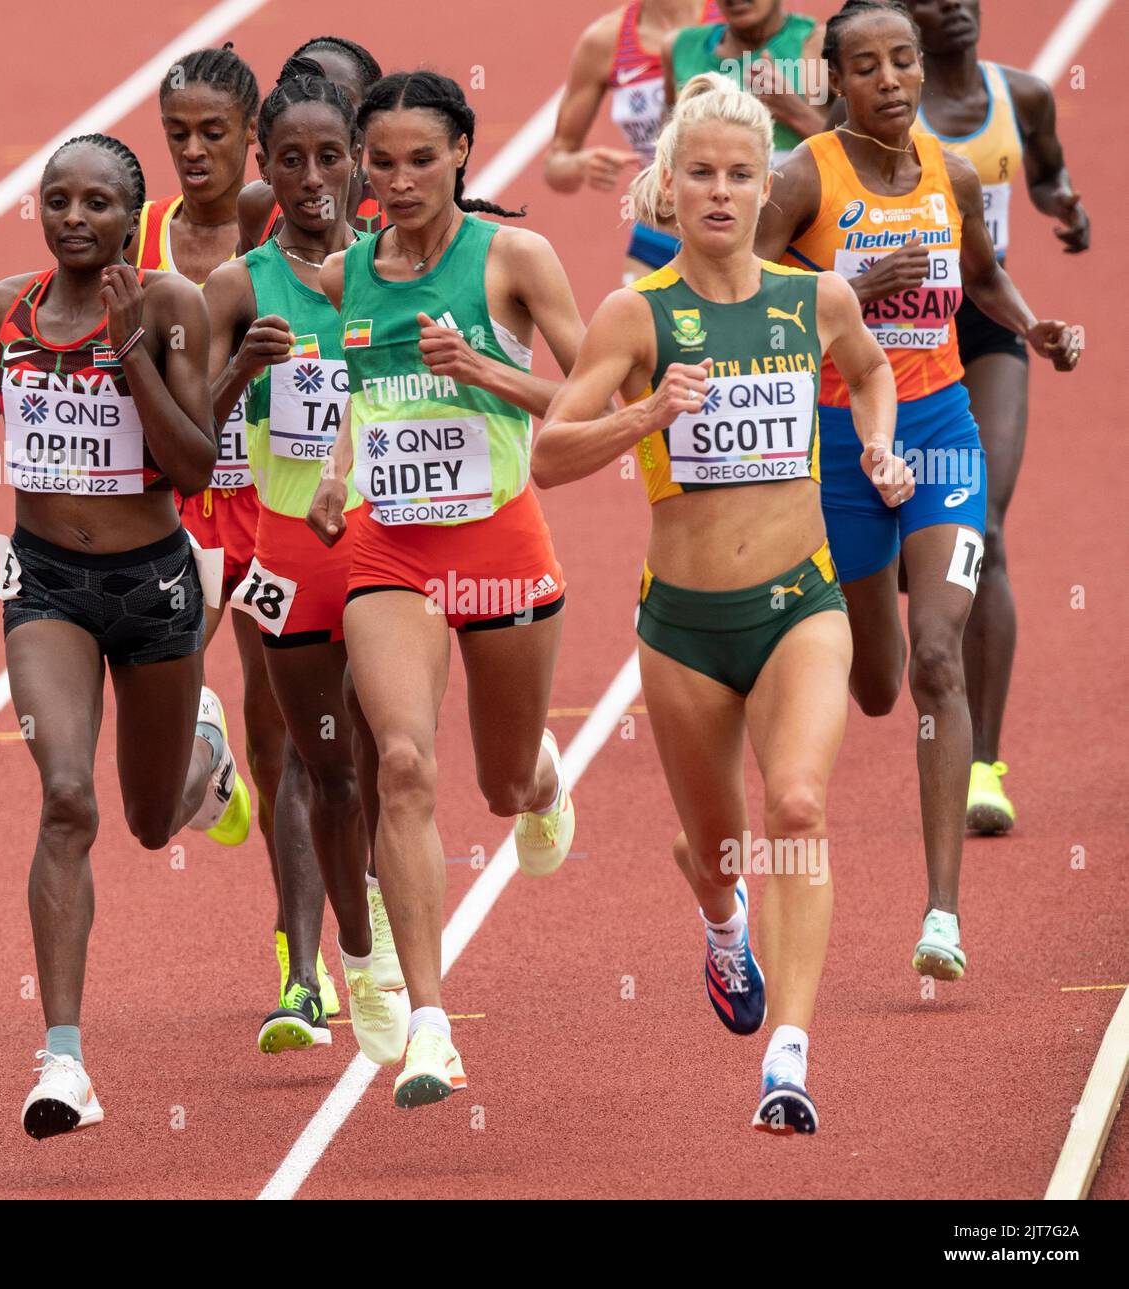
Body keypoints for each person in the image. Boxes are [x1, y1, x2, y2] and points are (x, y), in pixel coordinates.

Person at [536, 71, 904, 1135]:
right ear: (666, 184)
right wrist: (646, 410)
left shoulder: (813, 296)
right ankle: (719, 920)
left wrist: (875, 441)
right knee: (719, 847)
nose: (720, 191)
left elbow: (870, 369)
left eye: (741, 175)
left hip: (801, 602)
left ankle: (786, 1055)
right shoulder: (634, 314)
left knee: (796, 807)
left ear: (763, 187)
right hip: (684, 630)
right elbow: (551, 453)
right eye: (698, 172)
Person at [0, 135, 236, 1139]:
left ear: (131, 216)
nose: (75, 217)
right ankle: (65, 1059)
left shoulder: (172, 305)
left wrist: (130, 346)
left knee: (148, 820)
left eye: (96, 203)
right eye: (57, 200)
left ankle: (209, 760)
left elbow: (194, 468)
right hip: (44, 581)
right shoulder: (1, 304)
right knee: (67, 797)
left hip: (156, 582)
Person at [755, 0, 1080, 981]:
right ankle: (869, 631)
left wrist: (1034, 329)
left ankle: (940, 912)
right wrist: (851, 278)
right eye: (868, 65)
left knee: (939, 651)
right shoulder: (804, 175)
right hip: (839, 434)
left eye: (902, 60)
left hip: (940, 428)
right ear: (836, 84)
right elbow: (737, 293)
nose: (893, 79)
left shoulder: (956, 170)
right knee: (878, 679)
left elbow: (983, 278)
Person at [306, 71, 587, 1108]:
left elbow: (592, 392)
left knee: (500, 785)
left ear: (463, 151)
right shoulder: (347, 274)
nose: (399, 178)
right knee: (406, 761)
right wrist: (336, 470)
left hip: (501, 542)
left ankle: (541, 778)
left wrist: (479, 368)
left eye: (421, 157)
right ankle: (431, 1022)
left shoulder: (513, 257)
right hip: (392, 552)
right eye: (379, 161)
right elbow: (359, 388)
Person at [135, 44, 342, 1018]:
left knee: (290, 741)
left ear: (252, 137)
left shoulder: (281, 218)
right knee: (159, 794)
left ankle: (301, 973)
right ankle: (200, 753)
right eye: (176, 134)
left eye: (214, 133)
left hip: (274, 514)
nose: (192, 151)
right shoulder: (138, 235)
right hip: (173, 522)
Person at [204, 60, 406, 1059]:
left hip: (391, 544)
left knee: (388, 751)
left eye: (332, 155)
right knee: (311, 759)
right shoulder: (237, 286)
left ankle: (390, 946)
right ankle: (322, 967)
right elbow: (186, 444)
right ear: (265, 169)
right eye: (292, 158)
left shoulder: (397, 266)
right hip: (285, 550)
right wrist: (239, 372)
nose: (313, 175)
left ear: (360, 162)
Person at [909, 0, 1091, 833]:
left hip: (986, 319)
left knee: (985, 528)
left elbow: (1046, 170)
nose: (949, 5)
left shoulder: (1022, 96)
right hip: (893, 329)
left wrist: (1063, 205)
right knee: (910, 550)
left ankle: (985, 759)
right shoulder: (880, 107)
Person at [546, 1, 719, 284]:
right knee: (637, 323)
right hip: (662, 225)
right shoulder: (605, 41)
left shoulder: (732, 16)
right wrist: (580, 164)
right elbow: (556, 167)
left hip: (742, 221)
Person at [237, 36, 386, 251]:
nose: (321, 107)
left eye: (339, 98)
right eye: (304, 94)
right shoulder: (257, 206)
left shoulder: (396, 211)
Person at [662, 0, 827, 170]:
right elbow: (664, 154)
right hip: (713, 194)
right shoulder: (679, 48)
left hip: (798, 193)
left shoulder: (819, 45)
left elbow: (853, 154)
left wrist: (796, 113)